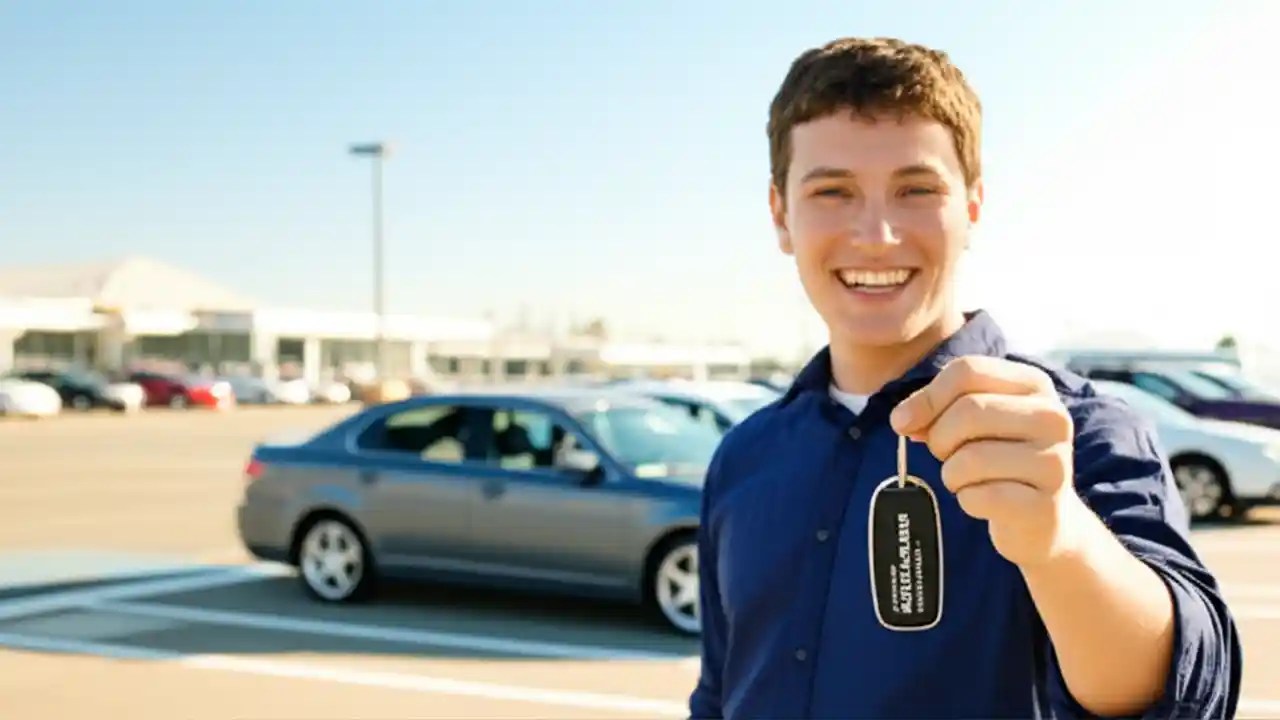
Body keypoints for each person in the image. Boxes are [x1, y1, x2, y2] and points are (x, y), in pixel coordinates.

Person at [688, 37, 1241, 719]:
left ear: (973, 206)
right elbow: (721, 689)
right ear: (781, 214)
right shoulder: (744, 456)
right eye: (833, 192)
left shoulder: (1075, 433)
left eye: (916, 190)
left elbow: (1186, 693)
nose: (877, 234)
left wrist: (1060, 538)